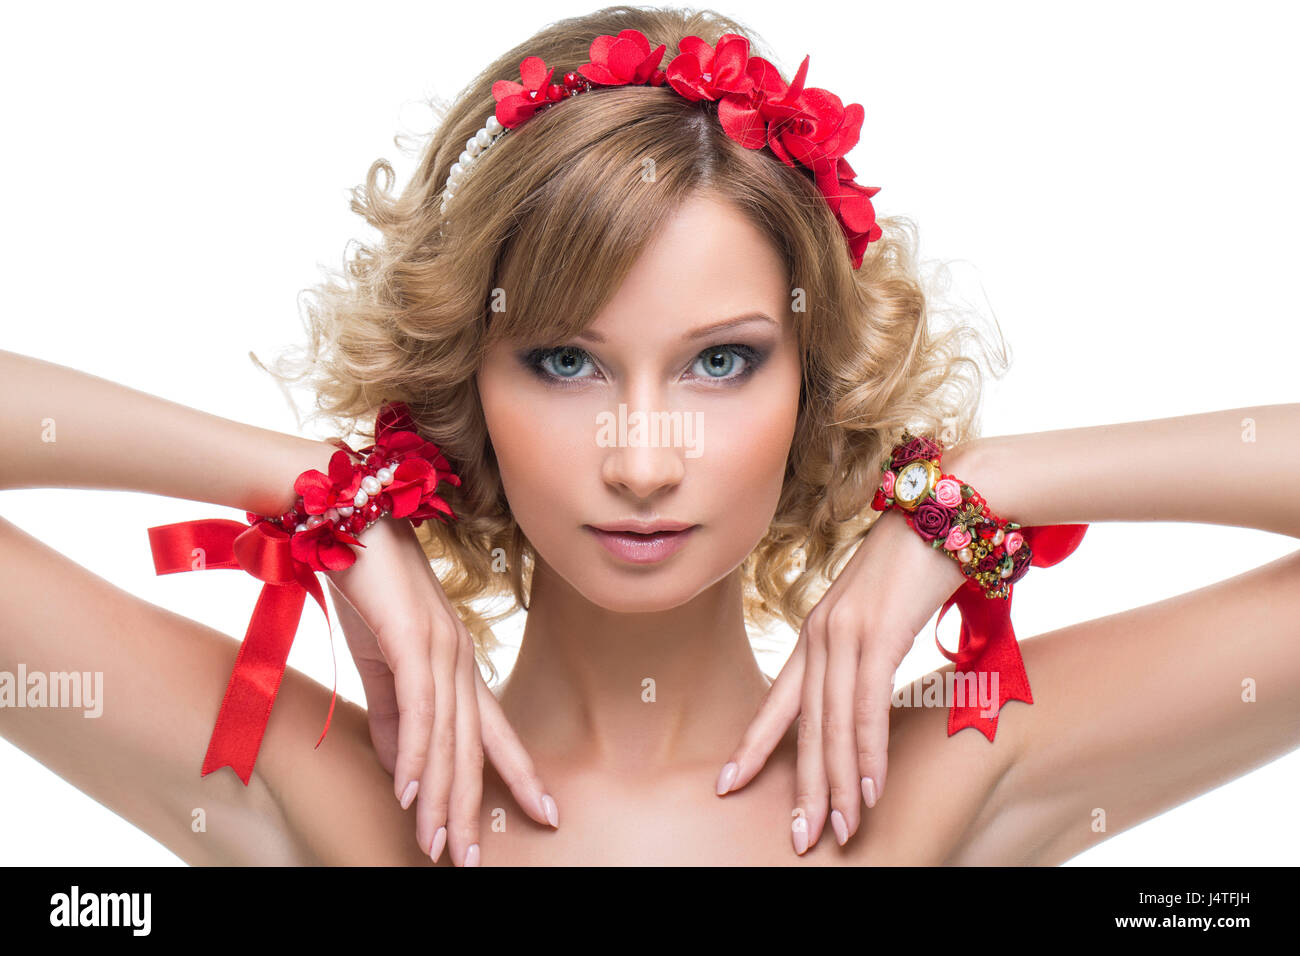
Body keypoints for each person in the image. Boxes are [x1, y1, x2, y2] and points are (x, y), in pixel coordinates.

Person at [3, 5, 1299, 867]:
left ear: (815, 389)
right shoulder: (333, 794)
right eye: (563, 360)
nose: (639, 456)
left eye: (721, 361)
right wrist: (316, 506)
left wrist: (964, 505)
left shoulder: (948, 771)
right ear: (466, 386)